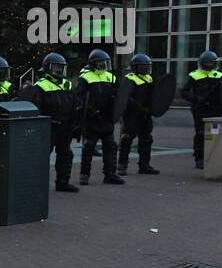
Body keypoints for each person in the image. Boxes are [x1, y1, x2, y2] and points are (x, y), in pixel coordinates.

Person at [27, 51, 79, 193]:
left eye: (61, 67)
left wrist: (76, 123)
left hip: (65, 127)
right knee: (42, 157)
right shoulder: (40, 86)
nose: (59, 70)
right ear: (48, 68)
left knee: (66, 155)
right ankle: (36, 185)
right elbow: (35, 108)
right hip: (48, 127)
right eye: (56, 67)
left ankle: (62, 183)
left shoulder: (67, 85)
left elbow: (75, 104)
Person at [76, 48, 124, 185]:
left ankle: (110, 174)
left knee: (110, 147)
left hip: (107, 117)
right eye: (100, 63)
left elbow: (119, 97)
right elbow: (79, 98)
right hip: (92, 119)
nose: (103, 65)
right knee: (89, 147)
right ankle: (84, 175)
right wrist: (89, 112)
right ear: (93, 63)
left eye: (104, 63)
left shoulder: (111, 77)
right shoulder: (85, 77)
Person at [180, 49, 222, 170]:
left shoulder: (220, 76)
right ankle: (199, 159)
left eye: (212, 63)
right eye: (207, 63)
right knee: (200, 134)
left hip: (216, 110)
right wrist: (195, 99)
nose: (209, 65)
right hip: (200, 109)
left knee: (216, 133)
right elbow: (184, 92)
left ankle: (214, 157)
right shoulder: (194, 75)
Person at [118, 53, 159, 176]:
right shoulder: (129, 79)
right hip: (132, 115)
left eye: (147, 66)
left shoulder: (149, 78)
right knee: (127, 139)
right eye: (143, 67)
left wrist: (152, 108)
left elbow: (155, 96)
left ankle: (144, 165)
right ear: (135, 67)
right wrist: (140, 108)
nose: (146, 69)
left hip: (146, 115)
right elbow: (127, 98)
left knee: (146, 140)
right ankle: (122, 165)